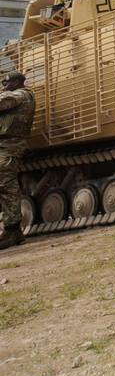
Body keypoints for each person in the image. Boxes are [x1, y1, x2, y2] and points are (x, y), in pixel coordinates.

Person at [0, 71, 36, 251]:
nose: (4, 86)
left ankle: (13, 230)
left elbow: (3, 102)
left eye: (7, 83)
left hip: (9, 146)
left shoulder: (22, 95)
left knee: (5, 184)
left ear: (17, 83)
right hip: (4, 145)